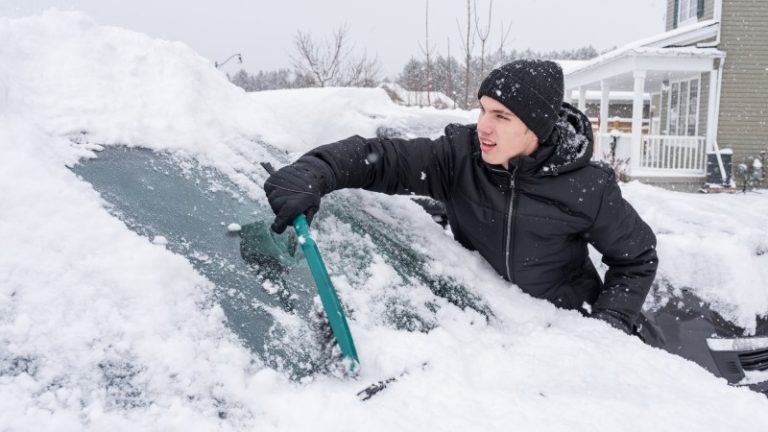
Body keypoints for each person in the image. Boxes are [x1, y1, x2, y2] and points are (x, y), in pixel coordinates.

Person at [264, 59, 658, 338]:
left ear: (536, 128)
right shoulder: (459, 159)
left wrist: (607, 327)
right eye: (483, 110)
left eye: (501, 117)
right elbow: (380, 159)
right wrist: (314, 171)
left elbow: (636, 259)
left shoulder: (587, 186)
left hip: (566, 333)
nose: (483, 126)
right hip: (490, 328)